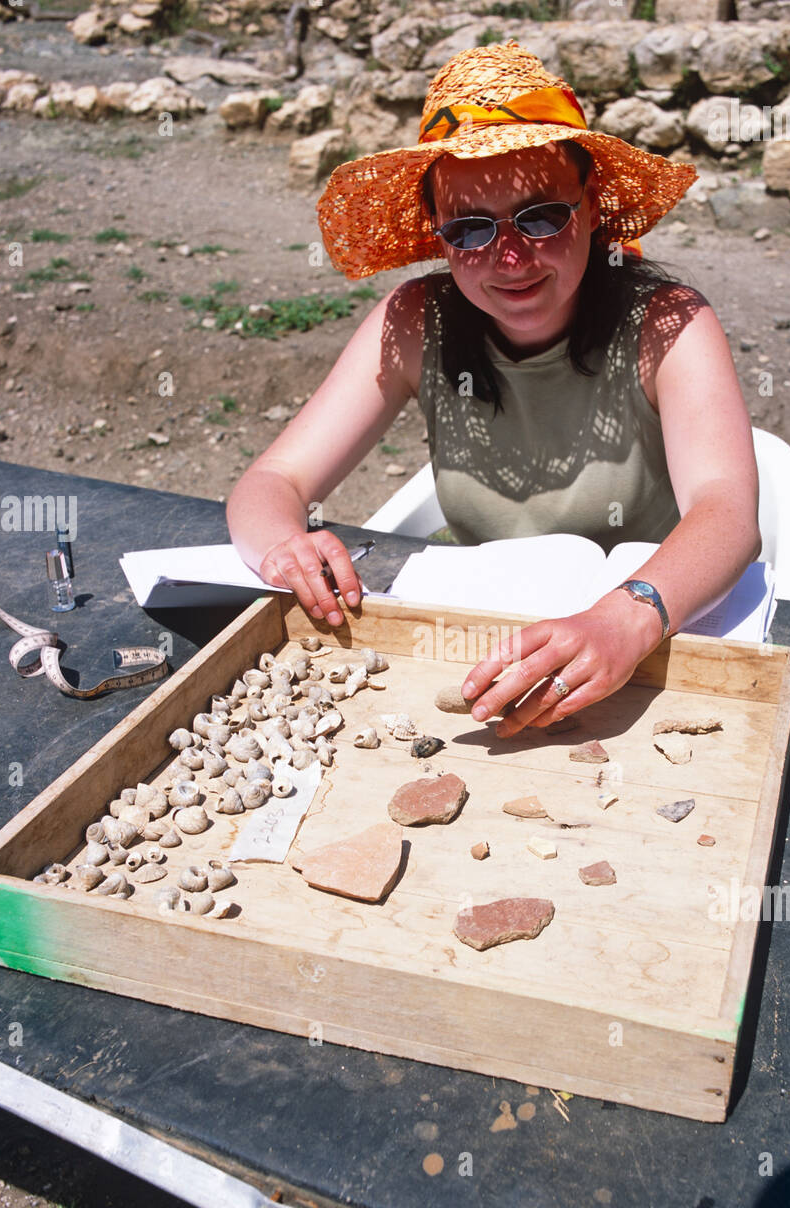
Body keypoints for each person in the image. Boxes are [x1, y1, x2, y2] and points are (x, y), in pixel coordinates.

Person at [227, 41, 759, 738]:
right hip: (486, 652)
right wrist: (283, 547)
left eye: (541, 217)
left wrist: (626, 617)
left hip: (655, 644)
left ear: (592, 207)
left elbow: (727, 514)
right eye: (471, 228)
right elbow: (271, 480)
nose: (509, 256)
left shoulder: (666, 323)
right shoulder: (419, 322)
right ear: (440, 239)